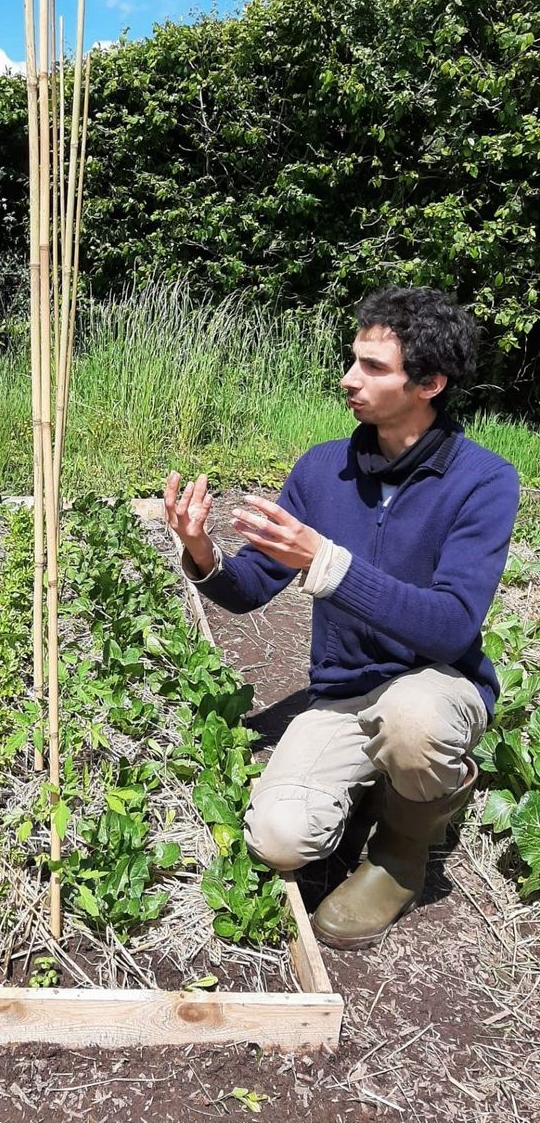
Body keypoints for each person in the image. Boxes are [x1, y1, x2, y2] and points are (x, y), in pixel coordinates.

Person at [164, 287, 519, 950]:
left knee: (412, 719)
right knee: (279, 840)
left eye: (373, 367)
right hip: (345, 693)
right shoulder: (323, 469)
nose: (348, 379)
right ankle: (376, 783)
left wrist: (325, 562)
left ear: (430, 383)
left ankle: (401, 856)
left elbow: (450, 627)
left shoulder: (485, 481)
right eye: (352, 359)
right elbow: (248, 591)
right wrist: (202, 550)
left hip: (437, 683)